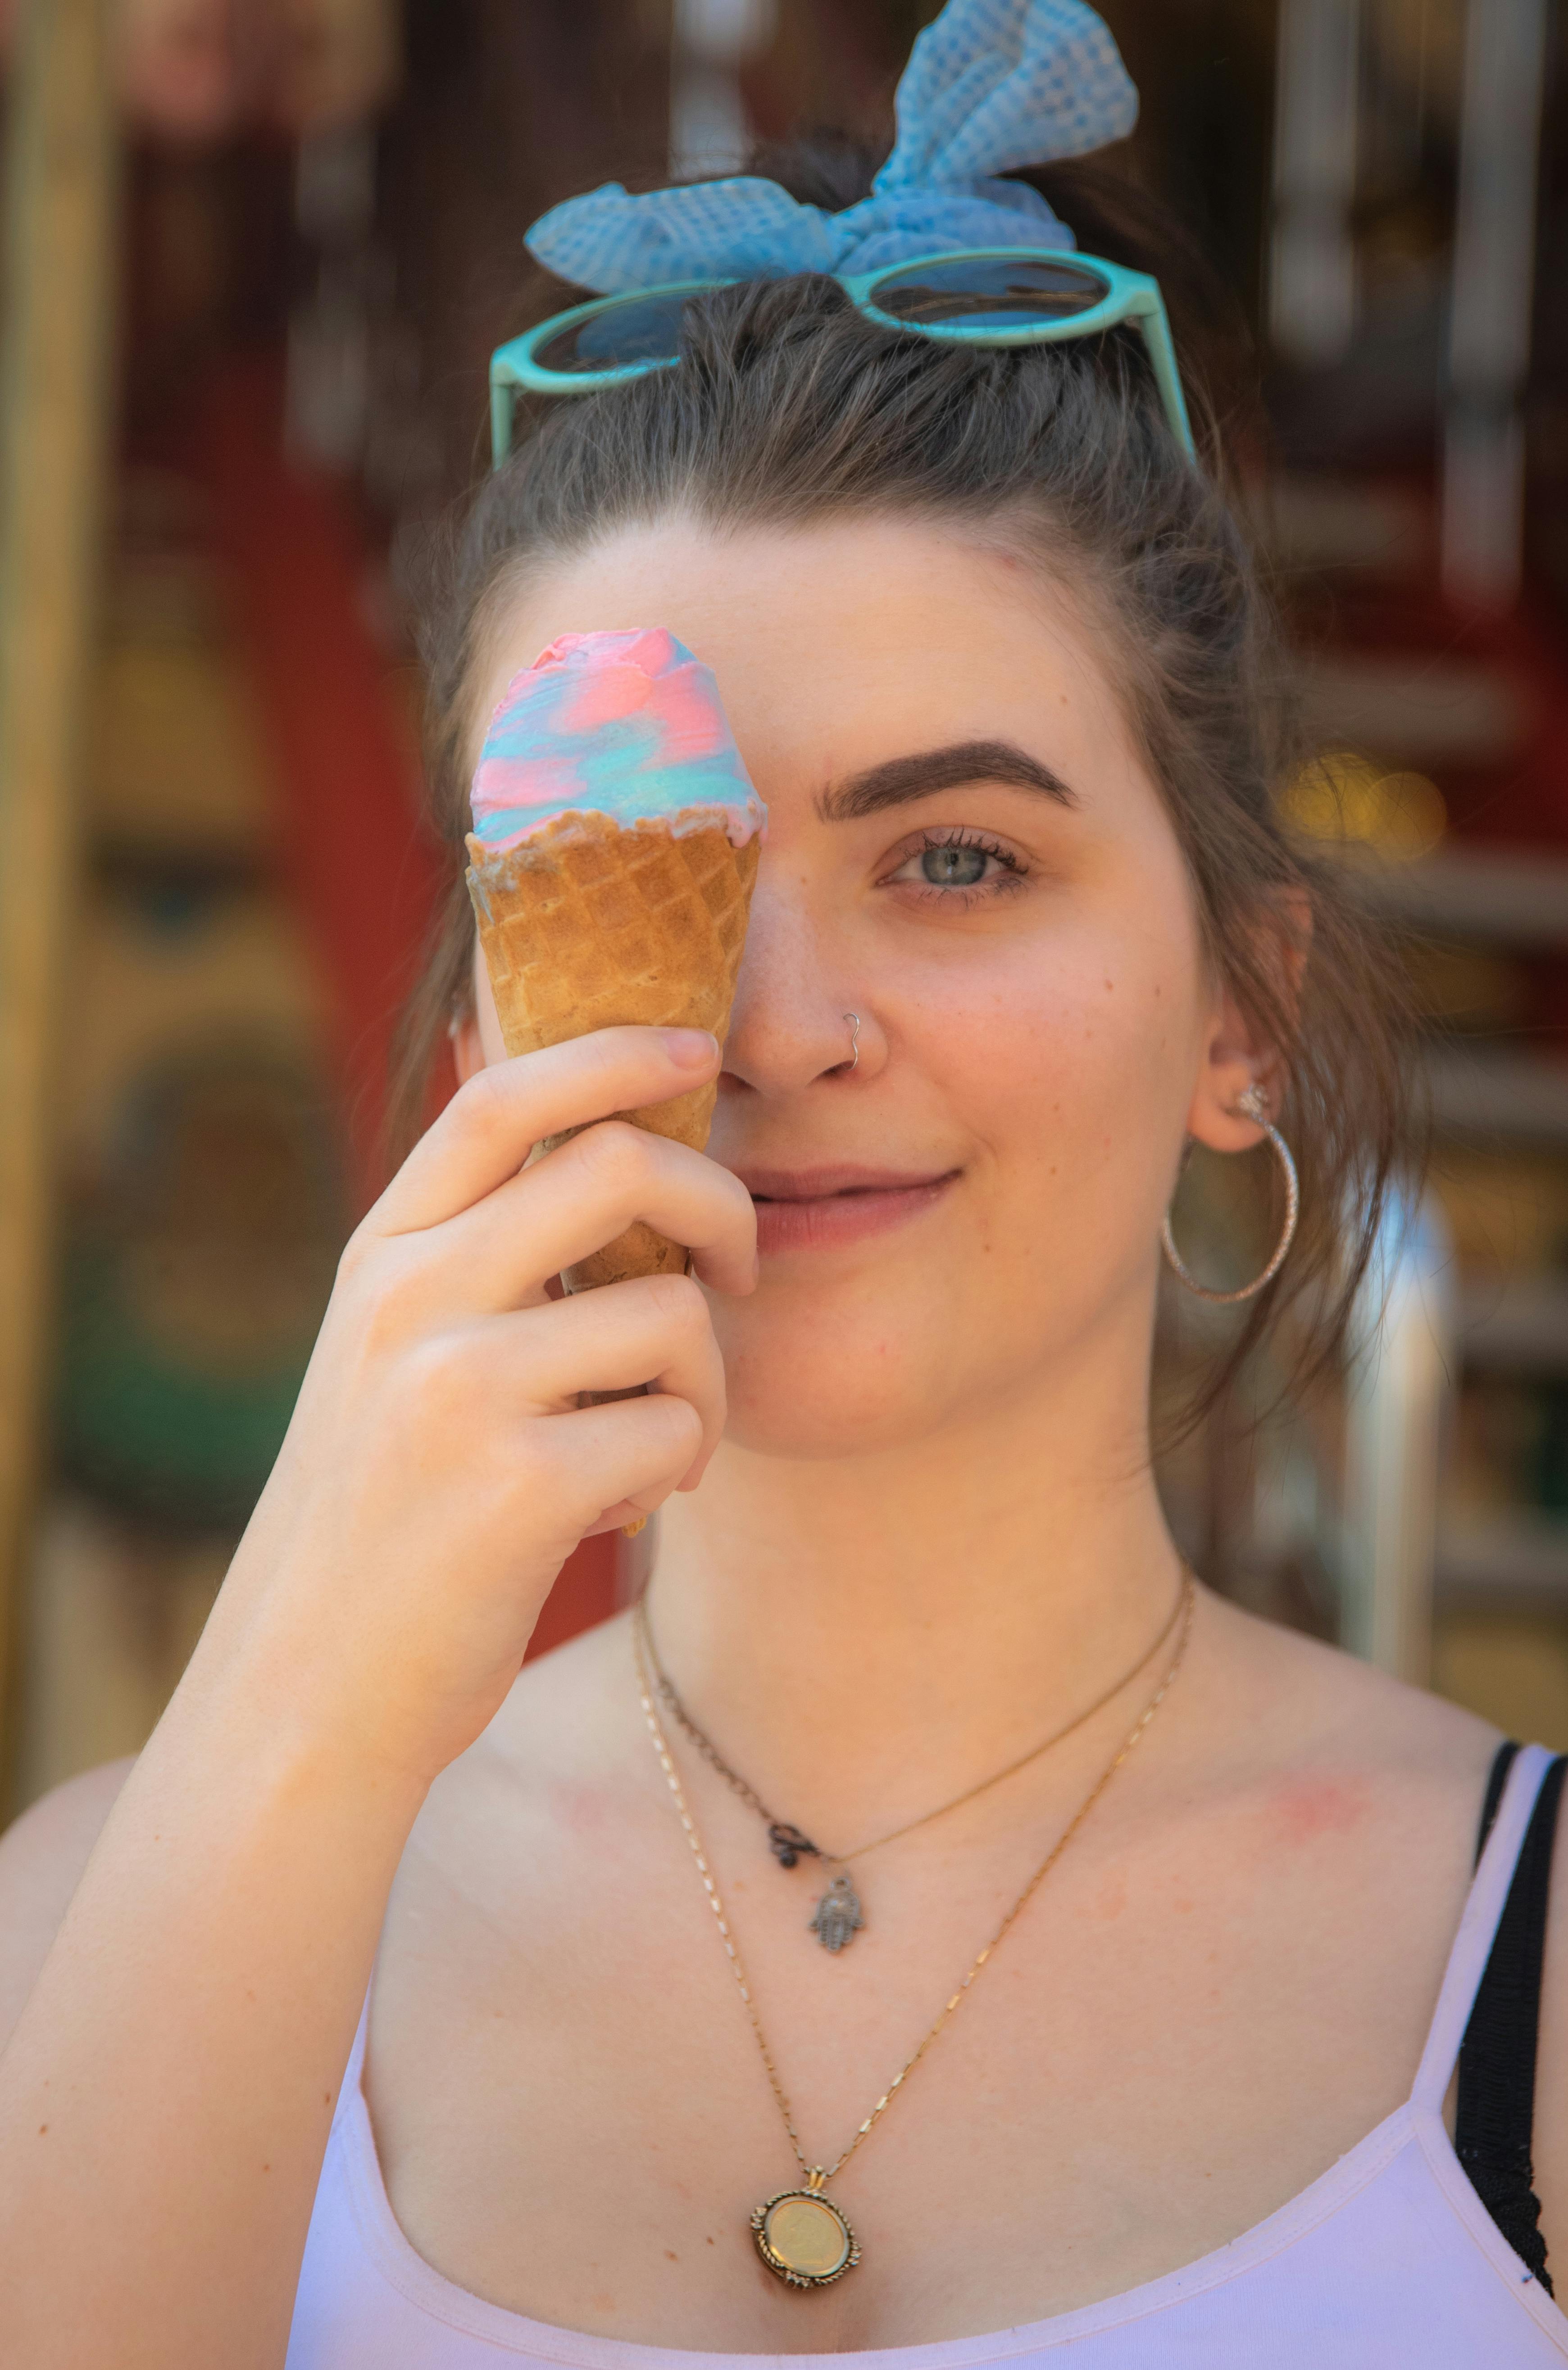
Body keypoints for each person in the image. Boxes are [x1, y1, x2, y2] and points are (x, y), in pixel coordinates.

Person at [1, 2, 1565, 2362]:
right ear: (473, 1046)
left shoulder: (1532, 1995)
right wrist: (296, 1692)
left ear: (1240, 1011)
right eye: (635, 870)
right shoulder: (95, 1920)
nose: (777, 1023)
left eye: (954, 855)